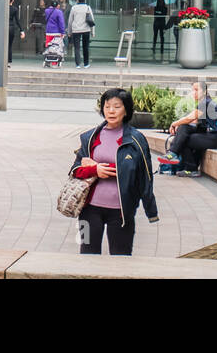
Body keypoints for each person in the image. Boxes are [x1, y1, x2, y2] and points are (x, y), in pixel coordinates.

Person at [68, 88, 158, 256]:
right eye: (107, 106)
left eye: (117, 106)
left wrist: (151, 210)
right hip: (88, 210)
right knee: (86, 255)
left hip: (121, 212)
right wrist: (94, 169)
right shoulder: (89, 137)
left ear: (126, 110)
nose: (111, 111)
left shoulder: (136, 140)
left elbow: (145, 177)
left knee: (121, 258)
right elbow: (75, 171)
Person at [157, 82, 217, 176]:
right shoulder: (204, 102)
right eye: (192, 90)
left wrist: (174, 124)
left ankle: (191, 168)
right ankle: (173, 153)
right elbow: (194, 121)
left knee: (185, 139)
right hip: (210, 135)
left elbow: (190, 118)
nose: (193, 92)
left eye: (196, 90)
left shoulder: (206, 103)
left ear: (204, 92)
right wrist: (180, 126)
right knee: (184, 128)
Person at [68, 0, 94, 69]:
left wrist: (69, 32)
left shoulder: (74, 8)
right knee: (86, 47)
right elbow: (92, 20)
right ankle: (86, 64)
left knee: (77, 47)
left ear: (77, 0)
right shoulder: (87, 8)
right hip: (86, 29)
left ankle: (78, 64)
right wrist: (93, 32)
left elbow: (70, 21)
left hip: (76, 30)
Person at [8, 0, 22, 66]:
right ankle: (8, 62)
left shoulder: (3, 8)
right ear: (13, 0)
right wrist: (21, 30)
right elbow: (17, 21)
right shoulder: (14, 9)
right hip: (11, 28)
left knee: (3, 45)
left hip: (4, 28)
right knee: (9, 45)